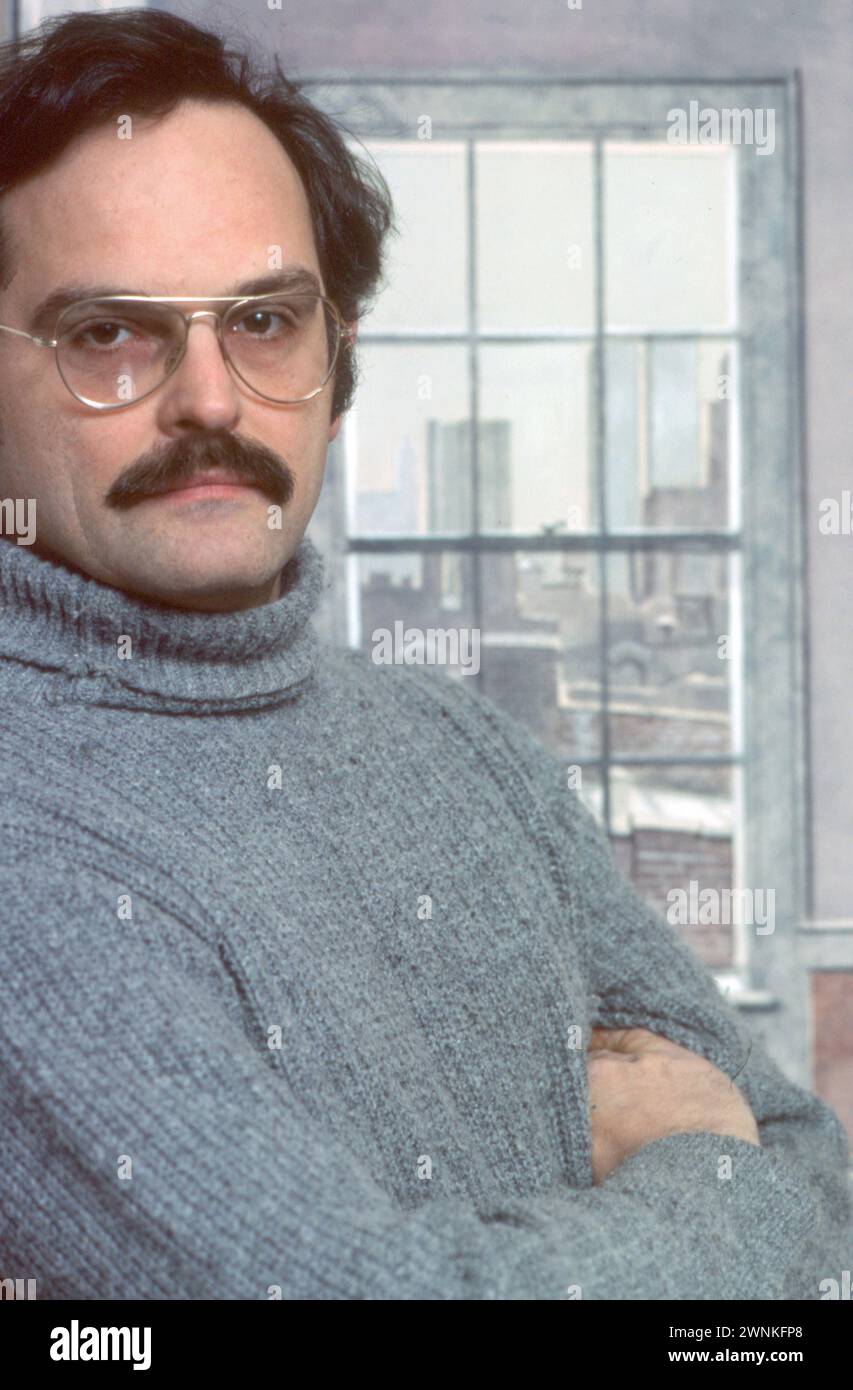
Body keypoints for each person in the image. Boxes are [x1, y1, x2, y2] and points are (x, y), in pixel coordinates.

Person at [0, 8, 847, 1301]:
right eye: (109, 333)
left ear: (336, 361)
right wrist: (699, 1170)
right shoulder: (27, 841)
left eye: (265, 321)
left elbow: (815, 1168)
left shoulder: (462, 744)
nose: (210, 399)